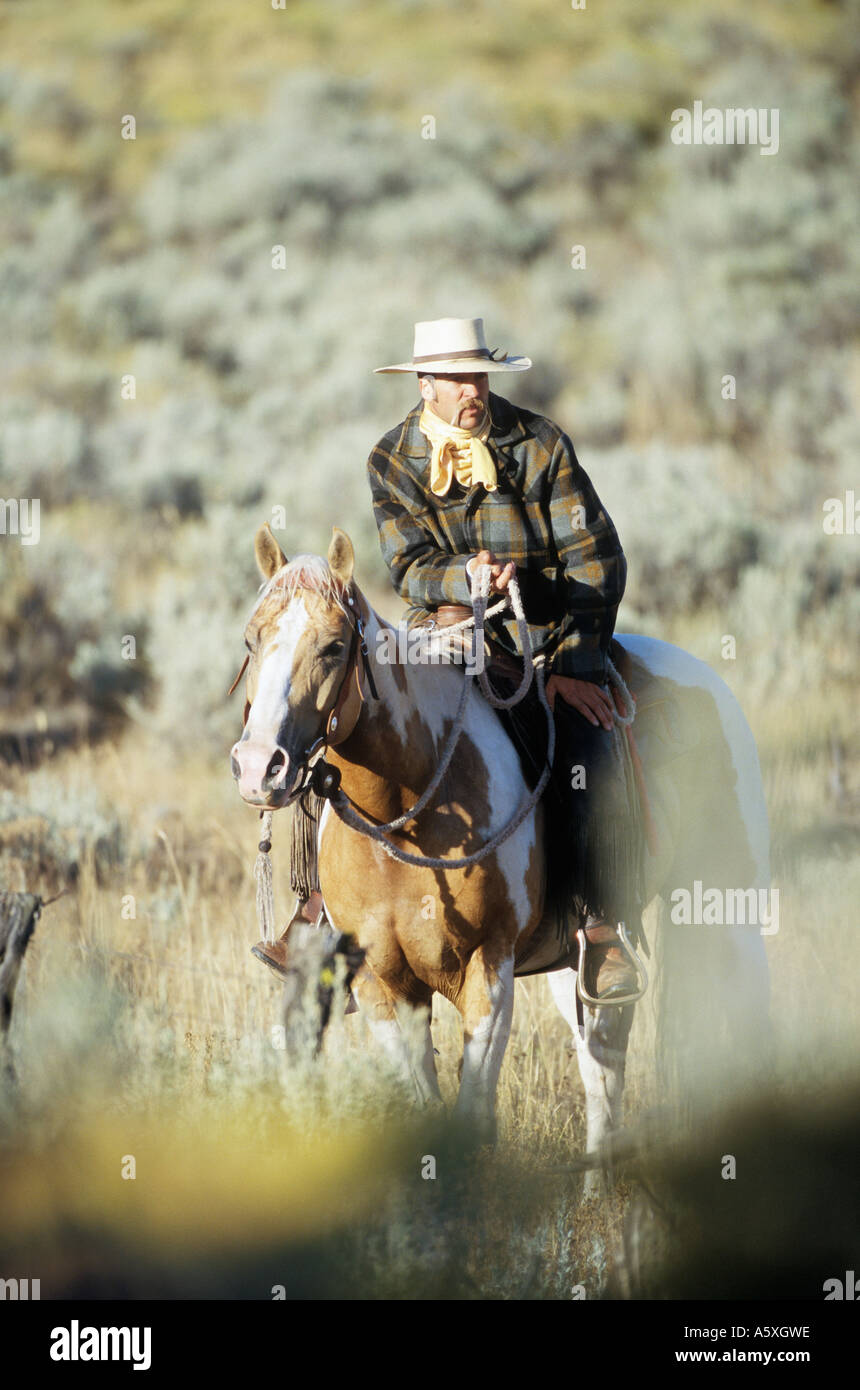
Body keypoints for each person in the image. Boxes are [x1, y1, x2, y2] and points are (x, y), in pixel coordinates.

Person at [365, 317, 639, 1000]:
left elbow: (596, 560)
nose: (472, 391)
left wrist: (573, 666)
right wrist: (465, 580)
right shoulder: (391, 458)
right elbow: (407, 567)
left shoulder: (540, 445)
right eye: (457, 379)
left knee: (586, 747)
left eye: (479, 376)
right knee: (339, 726)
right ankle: (316, 914)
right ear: (426, 386)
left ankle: (600, 932)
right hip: (443, 639)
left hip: (539, 646)